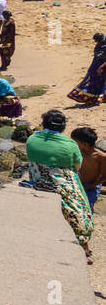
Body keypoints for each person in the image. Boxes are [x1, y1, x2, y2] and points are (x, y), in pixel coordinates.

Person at [24, 110, 94, 255]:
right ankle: (83, 245)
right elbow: (77, 166)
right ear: (63, 126)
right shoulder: (70, 144)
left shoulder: (31, 139)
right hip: (61, 184)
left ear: (44, 124)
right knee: (80, 210)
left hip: (36, 181)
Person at [71, 127, 106, 211]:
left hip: (91, 187)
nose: (72, 143)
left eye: (75, 142)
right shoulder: (77, 152)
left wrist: (89, 187)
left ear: (85, 144)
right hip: (77, 183)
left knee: (87, 208)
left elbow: (103, 177)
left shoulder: (100, 157)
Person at [69, 32, 106, 105]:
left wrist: (101, 66)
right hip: (96, 65)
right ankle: (93, 98)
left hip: (102, 66)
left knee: (98, 81)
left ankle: (94, 98)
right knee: (93, 80)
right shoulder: (100, 45)